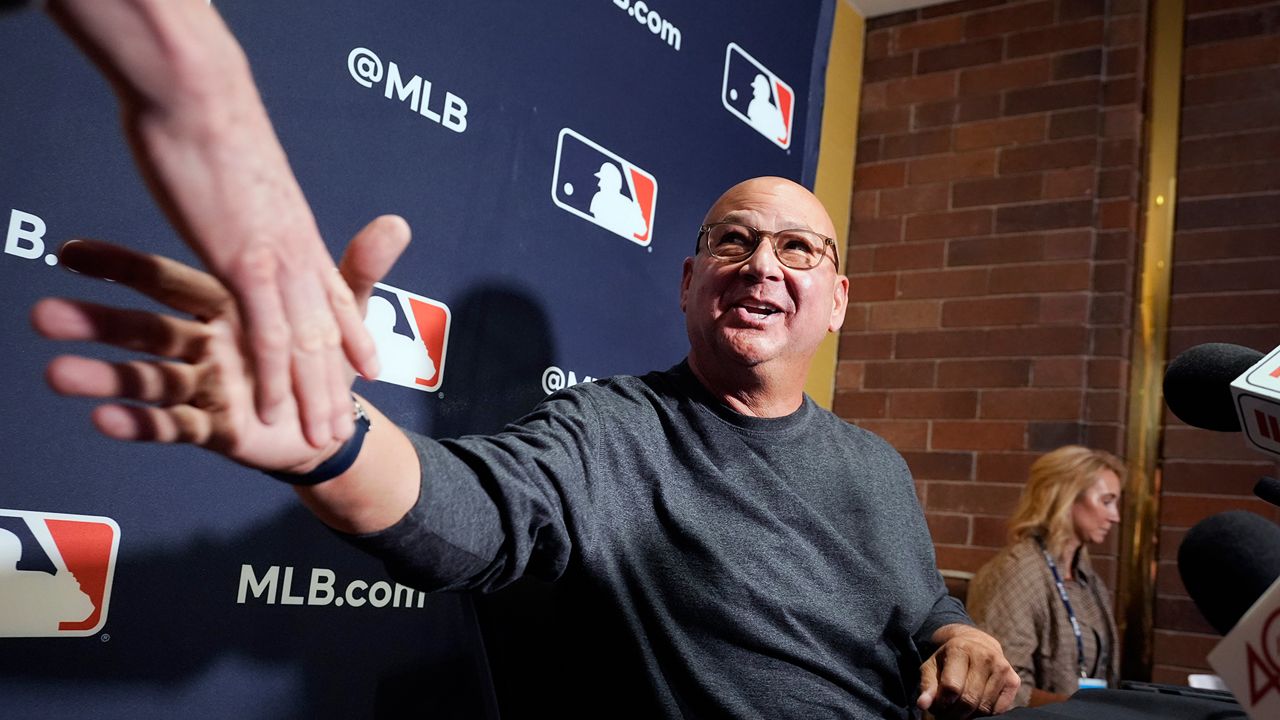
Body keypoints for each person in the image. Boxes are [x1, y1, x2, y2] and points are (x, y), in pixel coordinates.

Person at [31, 3, 1020, 717]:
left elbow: (918, 602)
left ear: (835, 302)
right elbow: (472, 513)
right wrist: (327, 438)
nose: (761, 262)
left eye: (796, 247)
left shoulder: (875, 470)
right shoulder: (616, 432)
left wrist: (959, 636)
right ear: (686, 283)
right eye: (732, 239)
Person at [966, 446, 1125, 708]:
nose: (1115, 516)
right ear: (1067, 497)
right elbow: (1000, 685)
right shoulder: (1017, 572)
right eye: (1106, 501)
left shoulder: (1087, 576)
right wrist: (1084, 709)